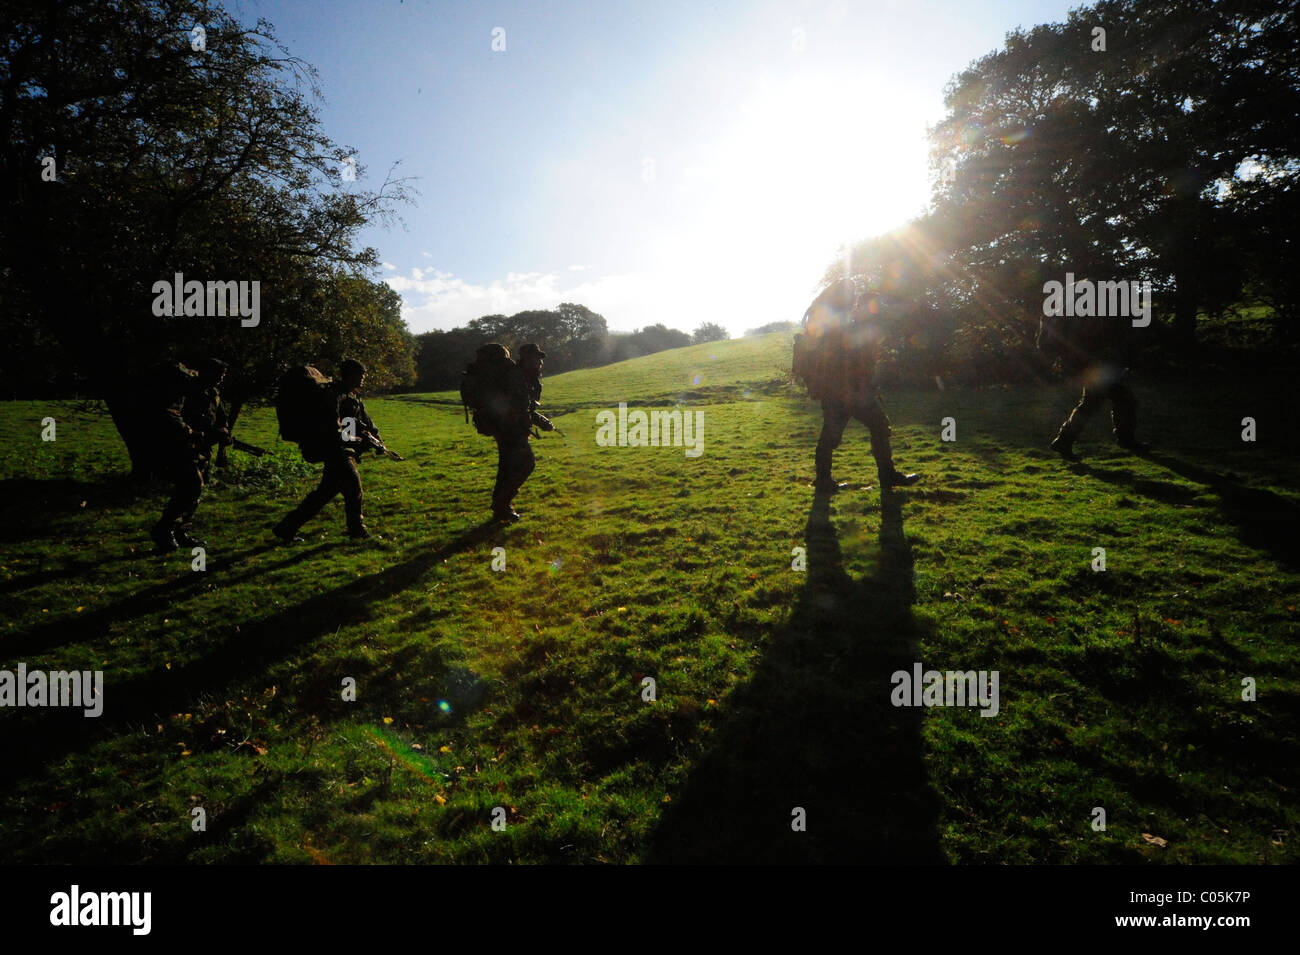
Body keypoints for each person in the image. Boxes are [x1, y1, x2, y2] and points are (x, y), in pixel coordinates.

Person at [798, 278, 919, 492]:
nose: (853, 298)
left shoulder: (832, 320)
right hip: (845, 391)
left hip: (842, 391)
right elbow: (846, 351)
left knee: (838, 434)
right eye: (851, 294)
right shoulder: (833, 322)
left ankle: (826, 480)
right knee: (867, 428)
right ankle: (884, 476)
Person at [273, 358, 376, 542]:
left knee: (325, 493)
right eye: (360, 374)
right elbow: (333, 430)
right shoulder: (333, 395)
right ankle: (357, 530)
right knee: (353, 487)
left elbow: (358, 423)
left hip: (342, 449)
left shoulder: (351, 395)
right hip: (333, 449)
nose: (363, 378)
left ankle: (286, 528)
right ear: (349, 374)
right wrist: (358, 441)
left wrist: (372, 438)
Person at [150, 358, 232, 551]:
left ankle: (180, 530)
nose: (220, 379)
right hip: (183, 446)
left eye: (222, 376)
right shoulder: (185, 390)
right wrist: (191, 432)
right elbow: (170, 414)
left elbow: (220, 418)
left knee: (196, 491)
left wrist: (224, 433)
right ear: (206, 372)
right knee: (191, 487)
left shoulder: (213, 393)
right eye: (218, 375)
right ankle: (164, 529)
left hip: (203, 448)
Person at [1039, 309, 1143, 458]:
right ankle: (1064, 440)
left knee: (1108, 400)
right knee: (1114, 400)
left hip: (1087, 361)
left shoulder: (1077, 296)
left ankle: (1064, 440)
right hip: (1098, 361)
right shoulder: (1099, 299)